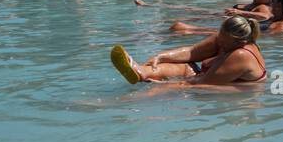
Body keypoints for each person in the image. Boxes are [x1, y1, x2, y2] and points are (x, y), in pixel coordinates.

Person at [110, 15, 267, 87]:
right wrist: (161, 56)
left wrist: (165, 86)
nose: (220, 44)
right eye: (220, 38)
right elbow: (192, 52)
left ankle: (127, 101)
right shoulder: (223, 38)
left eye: (225, 43)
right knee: (187, 66)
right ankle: (139, 71)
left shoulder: (241, 55)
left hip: (231, 92)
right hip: (205, 80)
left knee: (173, 88)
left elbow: (203, 84)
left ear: (242, 42)